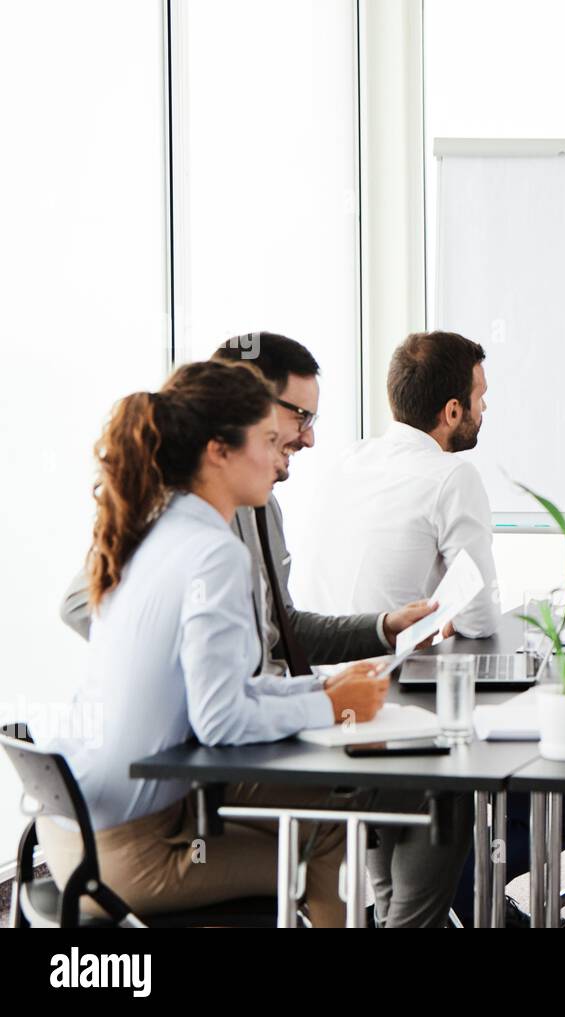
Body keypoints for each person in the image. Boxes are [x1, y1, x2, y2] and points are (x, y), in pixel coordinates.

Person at [35, 361, 391, 927]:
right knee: (325, 837)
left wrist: (322, 687)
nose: (281, 457)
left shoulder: (152, 527)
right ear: (218, 451)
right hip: (129, 854)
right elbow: (221, 720)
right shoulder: (215, 552)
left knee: (307, 814)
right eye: (270, 441)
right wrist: (331, 705)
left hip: (70, 833)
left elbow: (225, 690)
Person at [60, 332, 439, 672]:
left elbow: (278, 629)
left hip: (270, 709)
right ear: (245, 402)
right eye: (302, 416)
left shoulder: (262, 503)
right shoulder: (172, 508)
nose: (309, 439)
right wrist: (204, 660)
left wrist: (382, 628)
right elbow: (80, 606)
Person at [296, 331, 501, 927]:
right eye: (481, 397)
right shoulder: (450, 476)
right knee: (464, 772)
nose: (486, 409)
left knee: (388, 890)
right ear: (452, 411)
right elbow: (484, 618)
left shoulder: (347, 463)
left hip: (323, 710)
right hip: (390, 716)